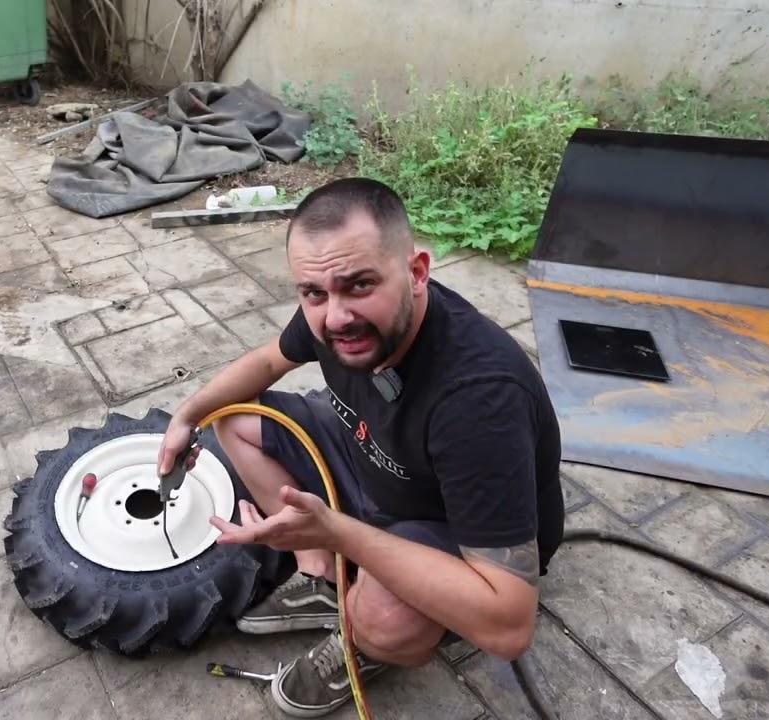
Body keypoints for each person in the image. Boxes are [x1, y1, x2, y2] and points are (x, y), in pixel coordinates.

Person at [157, 177, 565, 717]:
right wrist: (188, 415)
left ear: (417, 272)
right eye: (314, 293)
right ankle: (323, 579)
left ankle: (363, 638)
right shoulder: (333, 312)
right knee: (233, 420)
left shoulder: (478, 401)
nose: (337, 317)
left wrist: (335, 528)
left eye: (360, 285)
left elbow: (509, 625)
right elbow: (265, 362)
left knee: (383, 616)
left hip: (447, 523)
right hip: (378, 458)